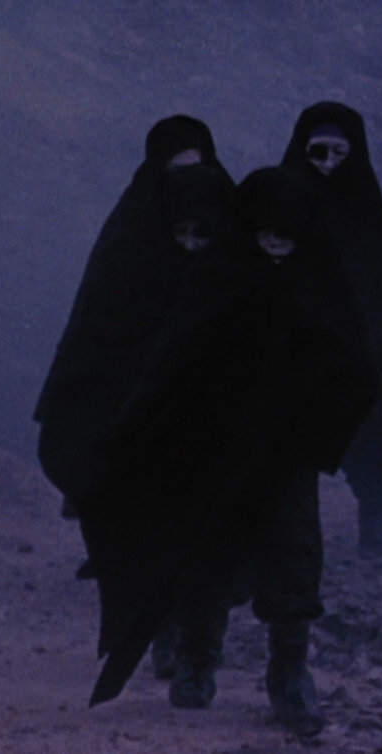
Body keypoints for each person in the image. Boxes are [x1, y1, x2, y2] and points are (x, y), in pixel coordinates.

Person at [79, 166, 378, 736]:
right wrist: (131, 439)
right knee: (208, 553)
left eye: (288, 234)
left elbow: (356, 371)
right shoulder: (219, 280)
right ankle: (197, 656)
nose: (277, 244)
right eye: (266, 233)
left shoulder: (321, 283)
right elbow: (171, 368)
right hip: (214, 452)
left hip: (286, 458)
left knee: (293, 556)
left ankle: (289, 672)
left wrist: (318, 438)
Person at [35, 114, 233, 521]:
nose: (186, 183)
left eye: (196, 169)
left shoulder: (230, 225)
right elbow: (97, 325)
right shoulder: (130, 233)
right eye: (176, 171)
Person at [281, 101, 382, 558]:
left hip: (357, 349)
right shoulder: (282, 206)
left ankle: (375, 514)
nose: (330, 163)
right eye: (319, 152)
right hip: (297, 346)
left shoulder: (366, 212)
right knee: (289, 449)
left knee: (366, 442)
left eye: (340, 152)